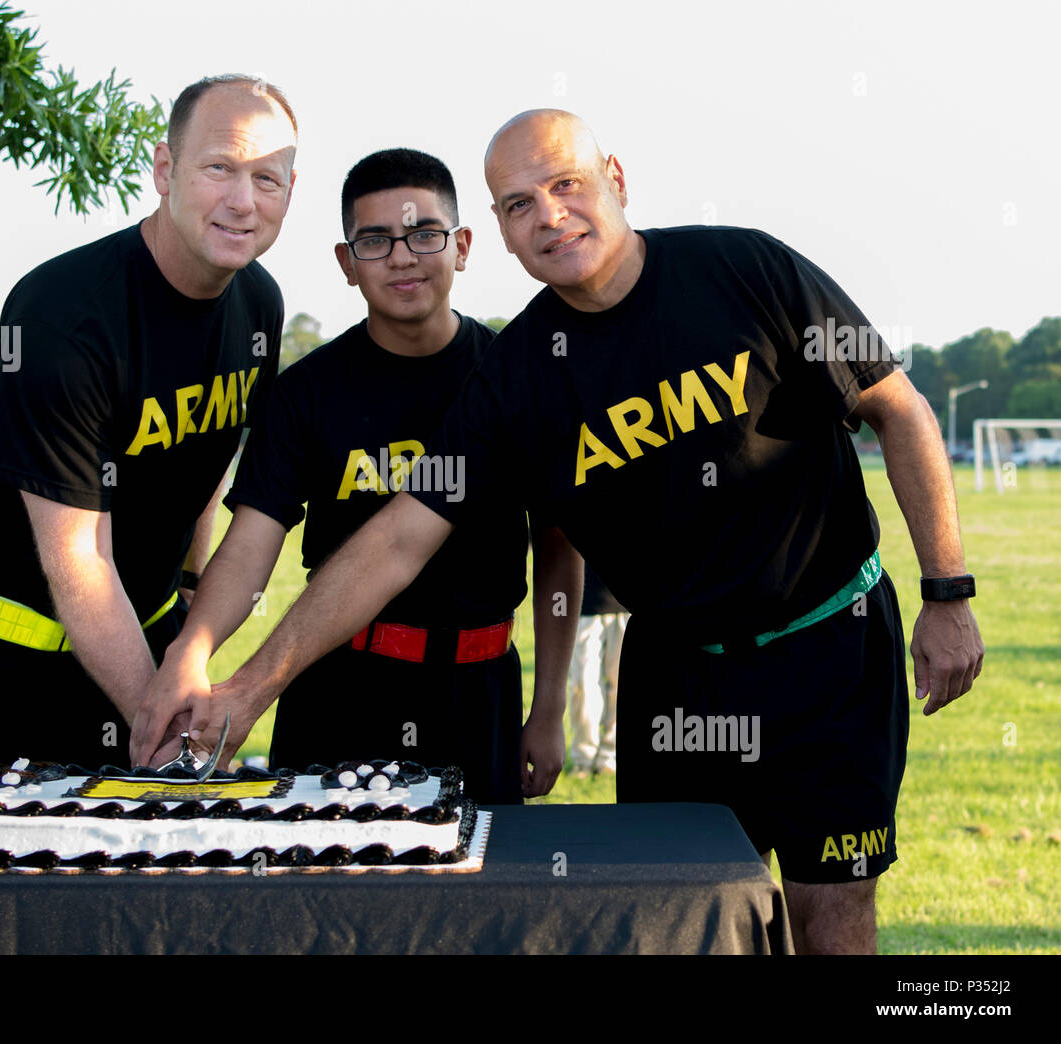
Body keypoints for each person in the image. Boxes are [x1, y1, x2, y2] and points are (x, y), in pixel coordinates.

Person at [186, 109, 984, 955]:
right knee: (688, 927)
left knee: (832, 920)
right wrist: (249, 687)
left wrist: (947, 593)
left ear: (617, 179)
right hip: (677, 676)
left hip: (827, 644)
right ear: (496, 231)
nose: (550, 214)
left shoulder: (748, 265)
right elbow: (397, 540)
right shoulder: (515, 376)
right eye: (520, 203)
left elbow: (897, 409)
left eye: (566, 185)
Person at [0, 75, 298, 788]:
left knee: (126, 897)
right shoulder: (63, 312)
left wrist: (189, 589)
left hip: (136, 649)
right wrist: (162, 728)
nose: (242, 201)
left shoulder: (258, 301)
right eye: (218, 167)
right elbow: (78, 559)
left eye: (267, 179)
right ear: (165, 170)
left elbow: (203, 457)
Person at [130, 149, 579, 803]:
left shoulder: (515, 378)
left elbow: (559, 547)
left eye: (424, 234)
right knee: (323, 897)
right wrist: (192, 650)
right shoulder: (307, 393)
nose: (402, 257)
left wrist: (549, 707)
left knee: (475, 895)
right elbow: (252, 543)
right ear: (347, 263)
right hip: (339, 687)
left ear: (461, 246)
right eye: (375, 240)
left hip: (480, 689)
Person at [567, 563, 625, 776]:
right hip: (586, 603)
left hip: (625, 604)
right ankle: (584, 757)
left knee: (620, 685)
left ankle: (610, 756)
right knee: (582, 683)